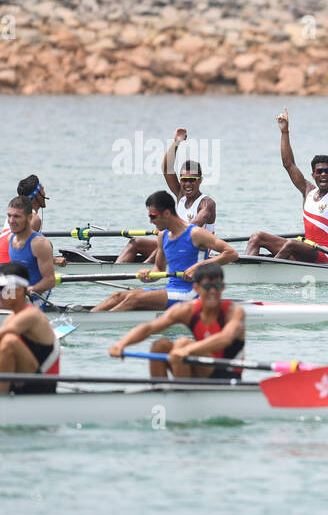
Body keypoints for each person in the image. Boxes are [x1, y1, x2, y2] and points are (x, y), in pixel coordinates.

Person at [246, 108, 328, 263]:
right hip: (304, 252)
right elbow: (288, 164)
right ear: (313, 175)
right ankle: (247, 269)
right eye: (319, 171)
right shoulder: (307, 191)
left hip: (324, 256)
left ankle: (272, 272)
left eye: (327, 171)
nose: (323, 174)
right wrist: (284, 132)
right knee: (257, 237)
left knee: (291, 244)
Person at [92, 191, 238, 311]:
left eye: (153, 216)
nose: (151, 222)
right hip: (172, 289)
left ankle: (95, 325)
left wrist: (199, 267)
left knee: (134, 298)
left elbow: (231, 253)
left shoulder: (195, 233)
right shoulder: (163, 236)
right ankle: (87, 320)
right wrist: (148, 276)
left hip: (193, 293)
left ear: (167, 213)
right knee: (117, 296)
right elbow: (159, 269)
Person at [108, 264, 245, 380]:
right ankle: (160, 391)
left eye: (218, 286)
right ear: (196, 288)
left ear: (223, 287)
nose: (213, 292)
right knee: (160, 345)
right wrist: (122, 343)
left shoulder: (233, 311)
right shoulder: (185, 310)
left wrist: (187, 349)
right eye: (208, 287)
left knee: (182, 342)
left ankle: (181, 394)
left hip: (227, 374)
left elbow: (225, 338)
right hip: (200, 369)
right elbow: (149, 328)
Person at [117, 128, 218, 263]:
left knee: (164, 244)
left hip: (197, 252)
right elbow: (166, 168)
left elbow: (195, 225)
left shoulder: (206, 203)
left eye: (192, 179)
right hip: (176, 245)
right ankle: (116, 272)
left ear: (200, 180)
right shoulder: (180, 195)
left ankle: (143, 273)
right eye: (184, 179)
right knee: (135, 243)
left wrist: (170, 233)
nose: (187, 184)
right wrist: (176, 142)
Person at [0, 263, 60, 394]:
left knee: (8, 341)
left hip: (42, 386)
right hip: (20, 381)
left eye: (2, 288)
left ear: (19, 290)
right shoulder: (11, 317)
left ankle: (0, 399)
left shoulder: (31, 315)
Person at [0, 197, 56, 310]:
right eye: (9, 216)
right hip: (14, 292)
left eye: (17, 216)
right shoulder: (10, 239)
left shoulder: (40, 244)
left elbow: (50, 280)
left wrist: (29, 289)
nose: (11, 221)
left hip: (35, 298)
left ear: (29, 218)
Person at [0, 175, 50, 264]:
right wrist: (53, 260)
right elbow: (22, 252)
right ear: (37, 195)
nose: (45, 193)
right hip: (9, 265)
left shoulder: (14, 215)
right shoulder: (34, 219)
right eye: (42, 189)